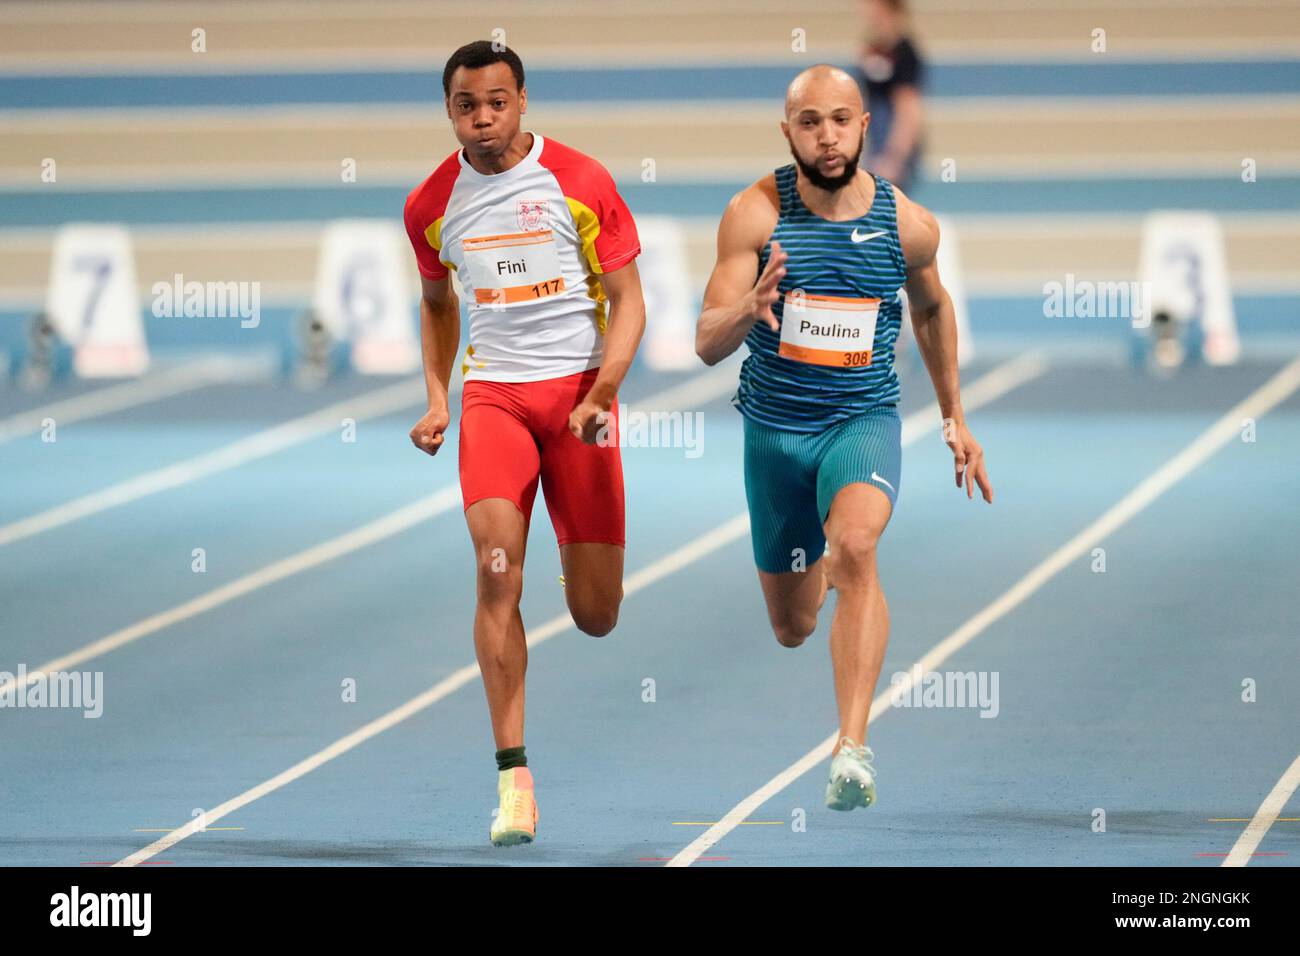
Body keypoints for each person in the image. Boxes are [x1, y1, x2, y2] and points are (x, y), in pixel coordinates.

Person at [694, 64, 991, 811]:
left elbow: (930, 309)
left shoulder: (908, 225)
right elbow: (704, 340)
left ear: (866, 125)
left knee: (856, 547)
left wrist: (954, 415)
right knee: (793, 625)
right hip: (775, 434)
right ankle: (822, 575)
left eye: (840, 119)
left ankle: (852, 746)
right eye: (808, 122)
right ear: (787, 131)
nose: (826, 136)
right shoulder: (754, 215)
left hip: (860, 422)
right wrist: (749, 308)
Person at [403, 41, 646, 846]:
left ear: (523, 101)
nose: (482, 118)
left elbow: (628, 301)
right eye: (467, 105)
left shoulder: (581, 181)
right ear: (449, 111)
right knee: (493, 563)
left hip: (580, 395)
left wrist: (604, 392)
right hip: (497, 399)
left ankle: (582, 557)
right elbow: (438, 307)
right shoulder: (431, 206)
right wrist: (440, 398)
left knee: (597, 614)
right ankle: (514, 778)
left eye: (496, 102)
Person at [853, 0, 926, 191]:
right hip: (875, 135)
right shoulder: (872, 47)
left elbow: (908, 109)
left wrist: (894, 156)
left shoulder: (905, 53)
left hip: (893, 137)